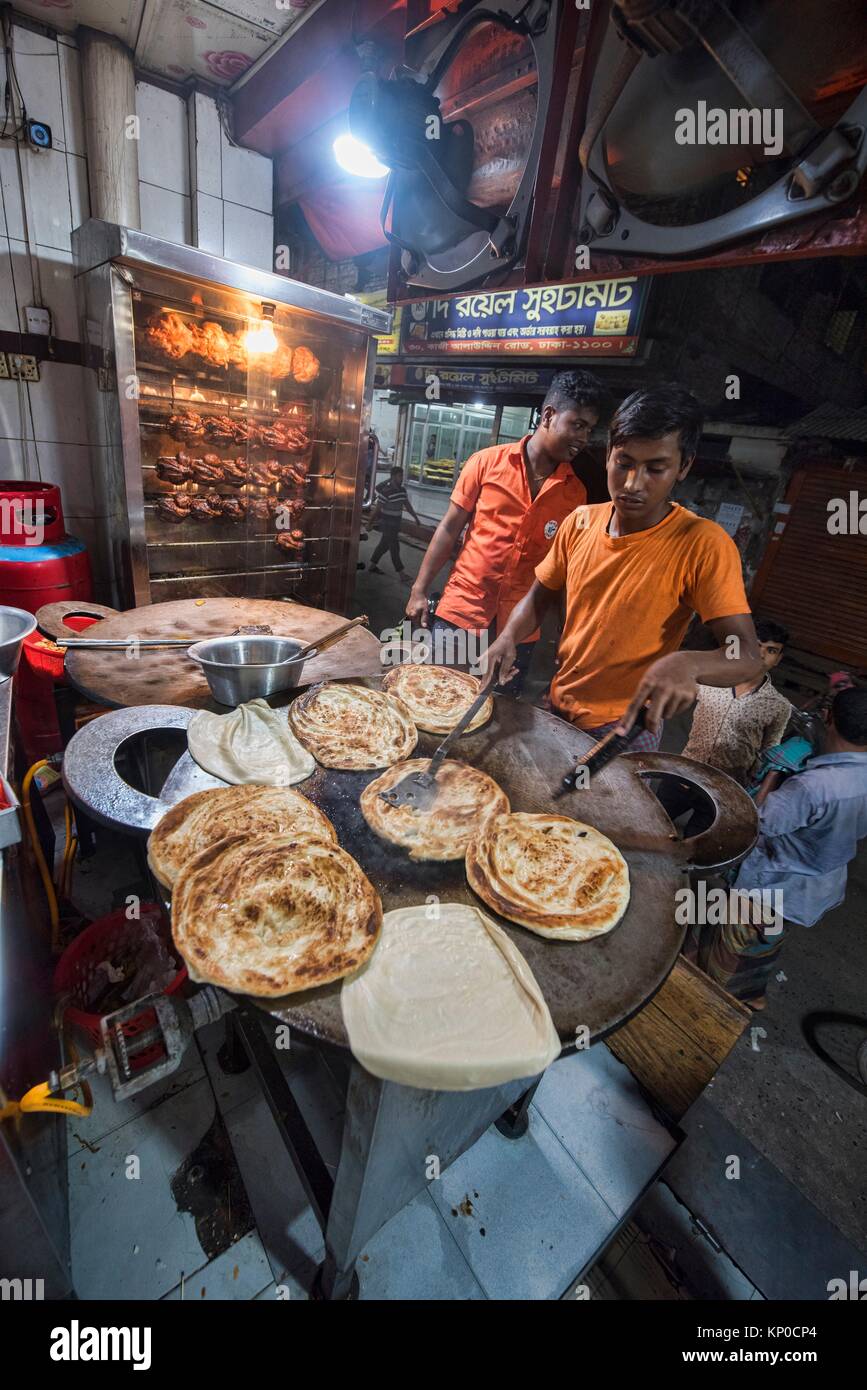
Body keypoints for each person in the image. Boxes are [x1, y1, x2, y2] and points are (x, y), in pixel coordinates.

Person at [482, 385, 763, 748]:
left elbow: (748, 654)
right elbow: (540, 597)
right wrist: (507, 637)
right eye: (624, 463)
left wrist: (691, 664)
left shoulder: (702, 544)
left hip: (626, 727)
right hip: (558, 701)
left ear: (684, 466)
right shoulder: (579, 522)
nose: (633, 484)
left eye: (655, 469)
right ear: (608, 455)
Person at [405, 370, 610, 692]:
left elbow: (562, 571)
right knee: (437, 697)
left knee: (496, 712)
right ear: (548, 415)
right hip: (462, 612)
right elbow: (448, 528)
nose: (583, 438)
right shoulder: (486, 463)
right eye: (577, 424)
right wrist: (419, 590)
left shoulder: (575, 494)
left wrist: (567, 632)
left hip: (519, 631)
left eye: (590, 429)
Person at [697, 686, 867, 1008]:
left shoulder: (812, 786)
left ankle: (715, 1001)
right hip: (814, 884)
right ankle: (753, 993)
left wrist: (774, 773)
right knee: (767, 937)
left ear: (828, 718)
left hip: (774, 881)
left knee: (734, 943)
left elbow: (759, 822)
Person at [682, 618, 792, 785]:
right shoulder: (711, 679)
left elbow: (769, 748)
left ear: (778, 659)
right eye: (756, 646)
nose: (760, 654)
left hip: (727, 787)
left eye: (771, 651)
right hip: (684, 772)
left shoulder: (779, 706)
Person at [366, 466, 421, 579]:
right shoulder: (386, 492)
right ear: (393, 477)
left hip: (396, 524)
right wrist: (369, 523)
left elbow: (407, 505)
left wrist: (415, 517)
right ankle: (401, 573)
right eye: (400, 476)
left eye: (402, 476)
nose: (401, 478)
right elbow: (377, 510)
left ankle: (372, 566)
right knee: (395, 547)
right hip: (387, 524)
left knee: (383, 546)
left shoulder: (402, 491)